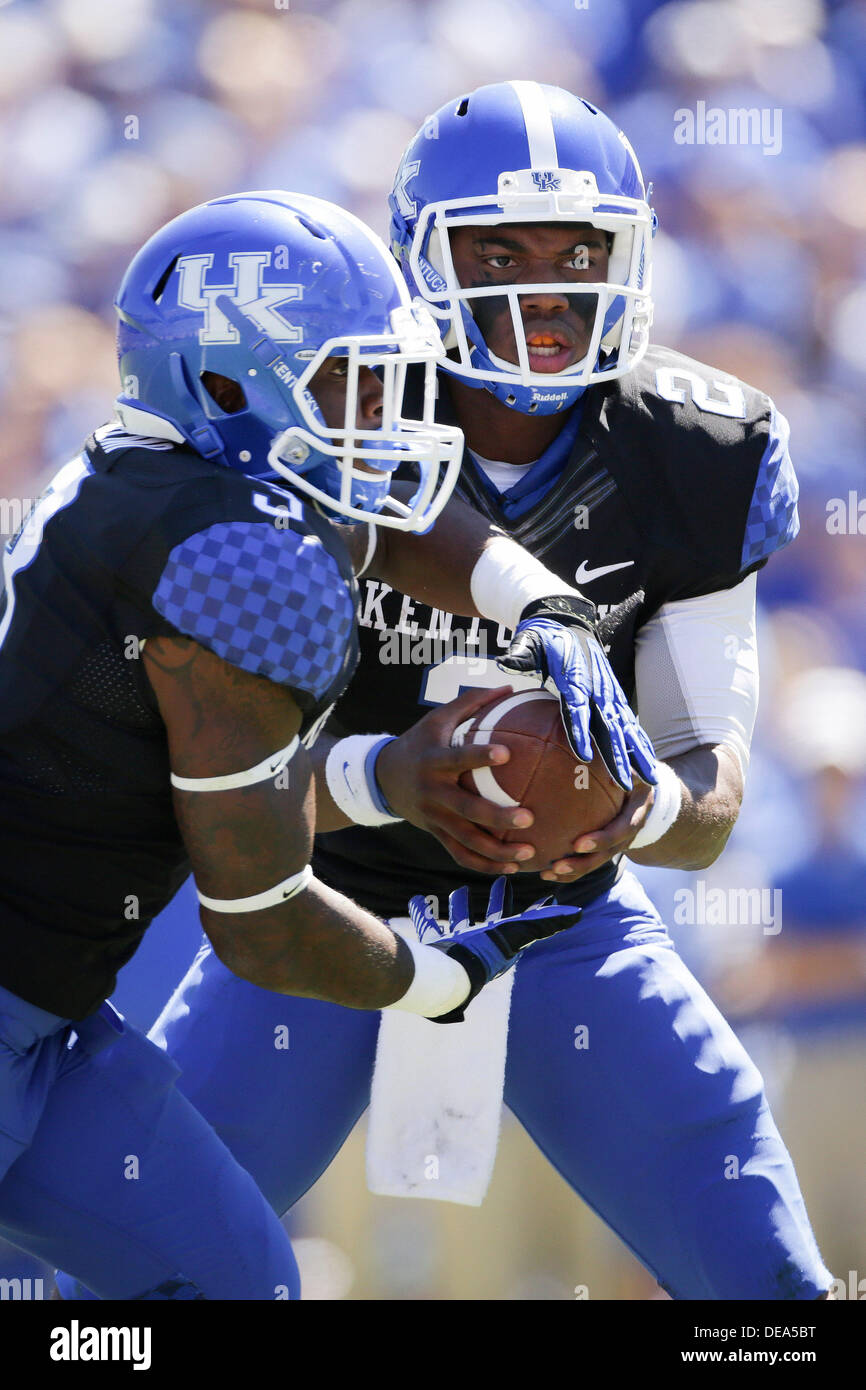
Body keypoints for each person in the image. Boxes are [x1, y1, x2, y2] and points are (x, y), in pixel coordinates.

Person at [61, 84, 832, 1301]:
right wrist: (389, 777)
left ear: (632, 255)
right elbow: (192, 777)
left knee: (767, 1287)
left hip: (561, 919)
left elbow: (708, 789)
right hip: (315, 918)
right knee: (128, 1286)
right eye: (495, 248)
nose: (540, 287)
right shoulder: (315, 412)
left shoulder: (699, 448)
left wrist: (625, 806)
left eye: (577, 251)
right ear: (418, 256)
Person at [0, 186, 637, 1300]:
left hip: (47, 1013)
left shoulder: (165, 490)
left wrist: (538, 603)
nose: (385, 415)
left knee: (240, 1286)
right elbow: (260, 920)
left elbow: (199, 784)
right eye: (351, 378)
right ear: (226, 380)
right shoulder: (238, 564)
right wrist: (437, 979)